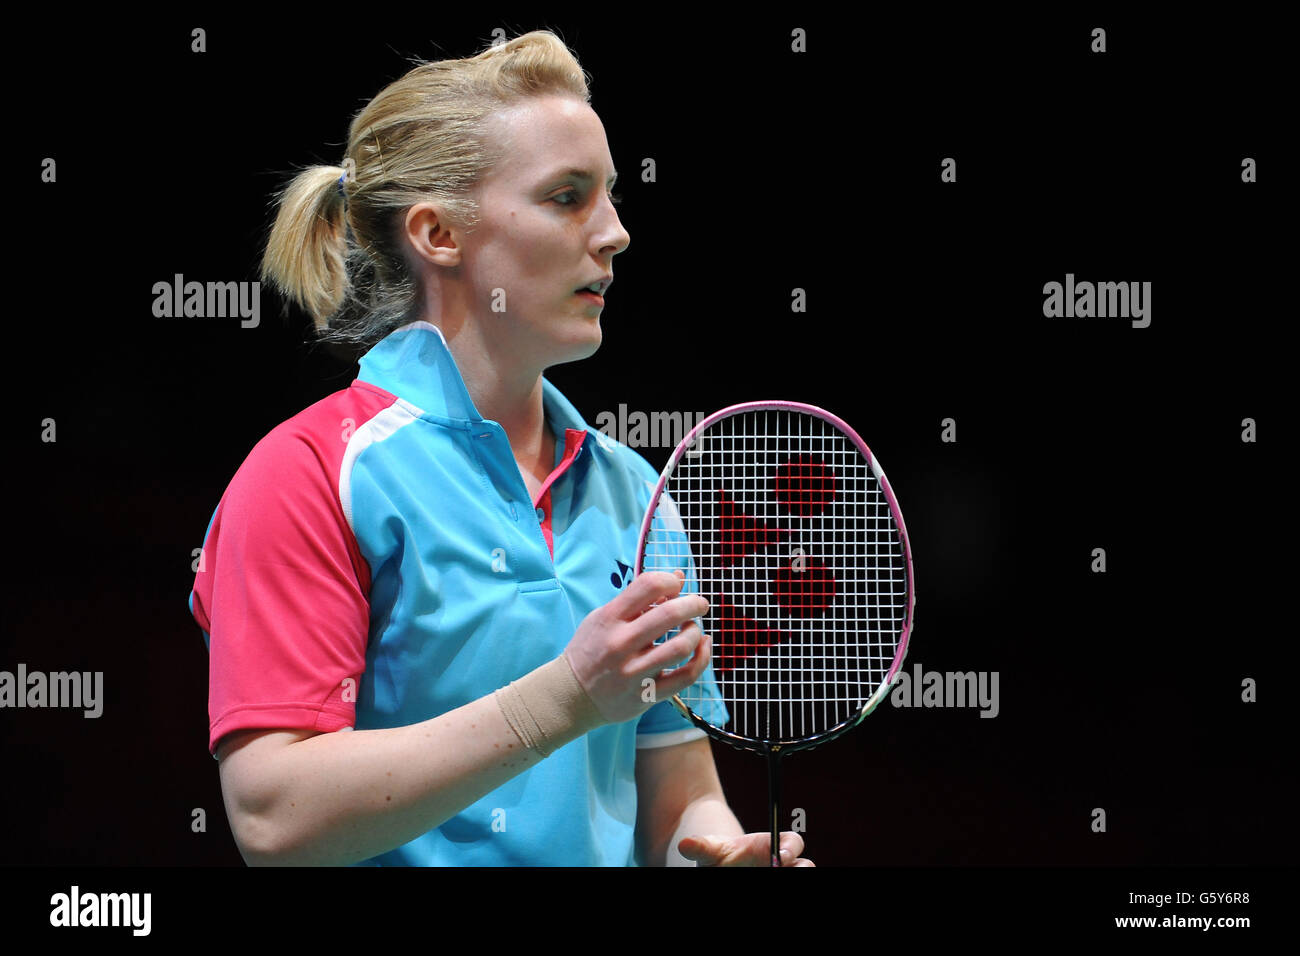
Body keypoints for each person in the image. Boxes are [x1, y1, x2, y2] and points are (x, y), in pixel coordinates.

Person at [188, 30, 812, 867]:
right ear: (439, 235)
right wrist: (566, 697)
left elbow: (676, 788)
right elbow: (274, 818)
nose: (616, 232)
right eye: (566, 196)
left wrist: (713, 851)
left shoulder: (633, 494)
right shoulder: (311, 473)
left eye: (612, 195)